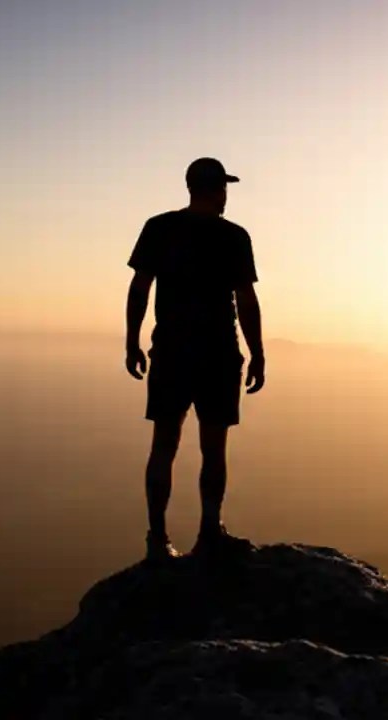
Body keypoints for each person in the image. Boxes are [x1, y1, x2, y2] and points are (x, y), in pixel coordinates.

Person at [124, 157, 265, 561]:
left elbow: (140, 288)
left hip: (170, 350)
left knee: (163, 445)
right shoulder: (234, 236)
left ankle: (157, 540)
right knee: (213, 448)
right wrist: (257, 353)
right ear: (218, 189)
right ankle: (209, 533)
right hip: (218, 352)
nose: (226, 197)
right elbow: (246, 299)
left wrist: (132, 342)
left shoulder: (159, 228)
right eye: (224, 189)